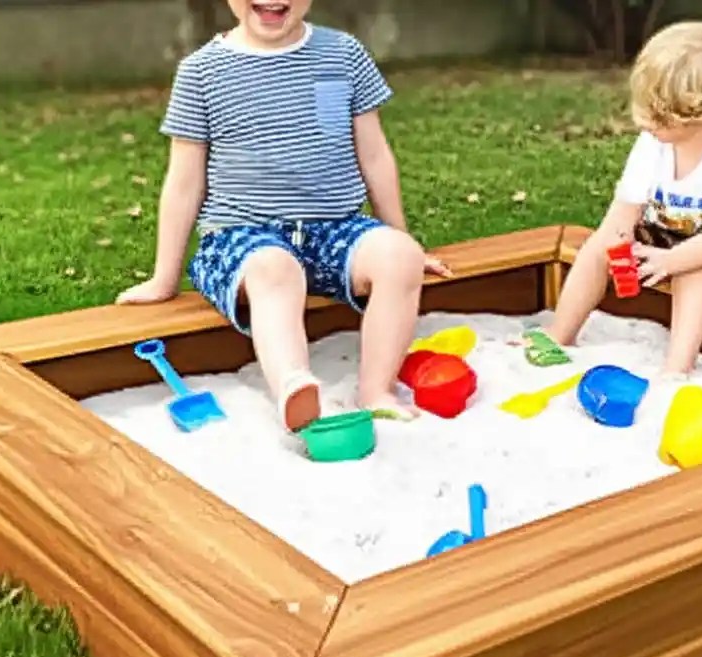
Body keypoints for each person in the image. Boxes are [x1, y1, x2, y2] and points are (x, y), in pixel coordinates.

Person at [115, 0, 450, 431]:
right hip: (241, 237)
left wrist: (402, 237)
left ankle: (376, 390)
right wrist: (165, 279)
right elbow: (184, 182)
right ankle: (294, 384)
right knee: (277, 269)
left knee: (399, 256)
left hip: (334, 228)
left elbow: (375, 155)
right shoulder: (202, 72)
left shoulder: (342, 54)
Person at [533, 20, 702, 378]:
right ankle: (560, 335)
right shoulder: (654, 141)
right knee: (599, 243)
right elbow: (624, 211)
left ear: (701, 112)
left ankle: (675, 371)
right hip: (672, 231)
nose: (646, 124)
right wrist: (615, 241)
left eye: (660, 116)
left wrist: (672, 260)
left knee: (692, 271)